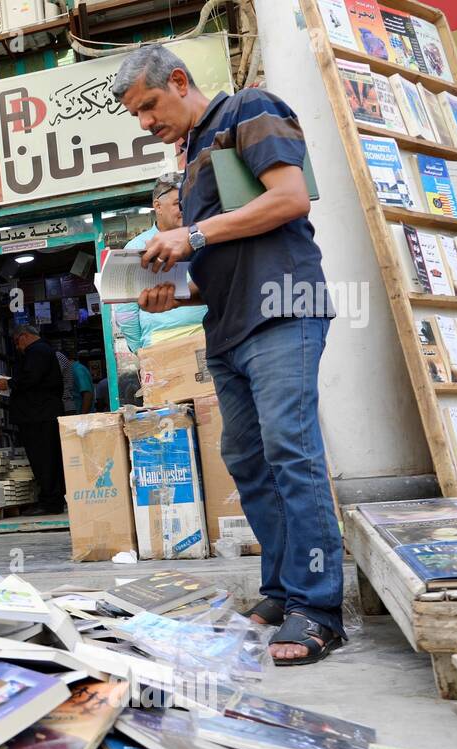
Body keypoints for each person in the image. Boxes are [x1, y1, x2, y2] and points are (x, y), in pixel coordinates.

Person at [114, 43, 344, 665]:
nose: (145, 123)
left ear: (180, 80)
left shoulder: (251, 108)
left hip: (282, 310)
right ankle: (281, 588)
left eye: (149, 106)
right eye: (135, 115)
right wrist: (178, 292)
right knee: (247, 458)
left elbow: (291, 198)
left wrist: (190, 232)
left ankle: (319, 607)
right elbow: (221, 254)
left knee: (290, 451)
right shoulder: (187, 160)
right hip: (229, 326)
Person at [114, 175, 209, 354]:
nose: (184, 208)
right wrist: (140, 351)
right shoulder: (137, 248)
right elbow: (126, 312)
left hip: (208, 338)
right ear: (157, 206)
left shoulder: (201, 237)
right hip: (159, 345)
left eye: (186, 201)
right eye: (176, 203)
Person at [0, 325, 65, 515]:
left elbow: (30, 378)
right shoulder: (43, 351)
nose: (18, 348)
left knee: (43, 458)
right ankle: (52, 499)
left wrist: (8, 383)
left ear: (24, 337)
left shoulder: (37, 351)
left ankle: (50, 501)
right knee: (47, 458)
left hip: (39, 415)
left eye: (17, 343)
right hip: (41, 413)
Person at [71, 350, 94, 414]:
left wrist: (82, 416)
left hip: (83, 417)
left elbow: (88, 394)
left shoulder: (77, 370)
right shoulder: (76, 369)